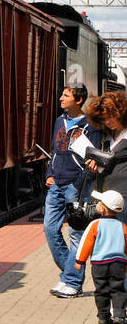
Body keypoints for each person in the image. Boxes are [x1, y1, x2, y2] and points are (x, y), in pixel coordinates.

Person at [46, 85, 101, 298]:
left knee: (76, 234)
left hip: (75, 186)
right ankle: (70, 272)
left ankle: (72, 282)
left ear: (78, 100)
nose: (60, 98)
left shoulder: (90, 125)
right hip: (55, 184)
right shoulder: (59, 121)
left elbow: (92, 158)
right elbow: (55, 150)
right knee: (50, 229)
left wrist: (78, 184)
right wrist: (49, 174)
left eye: (65, 95)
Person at [73, 190, 127, 324]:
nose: (96, 204)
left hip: (99, 264)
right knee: (118, 289)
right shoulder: (123, 227)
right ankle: (120, 314)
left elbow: (86, 243)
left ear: (102, 208)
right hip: (119, 263)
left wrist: (80, 260)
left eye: (99, 202)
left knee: (101, 289)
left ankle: (103, 316)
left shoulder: (95, 225)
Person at [84, 92, 127, 217]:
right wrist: (93, 168)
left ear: (121, 113)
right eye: (104, 118)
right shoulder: (106, 137)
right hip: (106, 194)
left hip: (123, 196)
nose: (108, 121)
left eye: (111, 116)